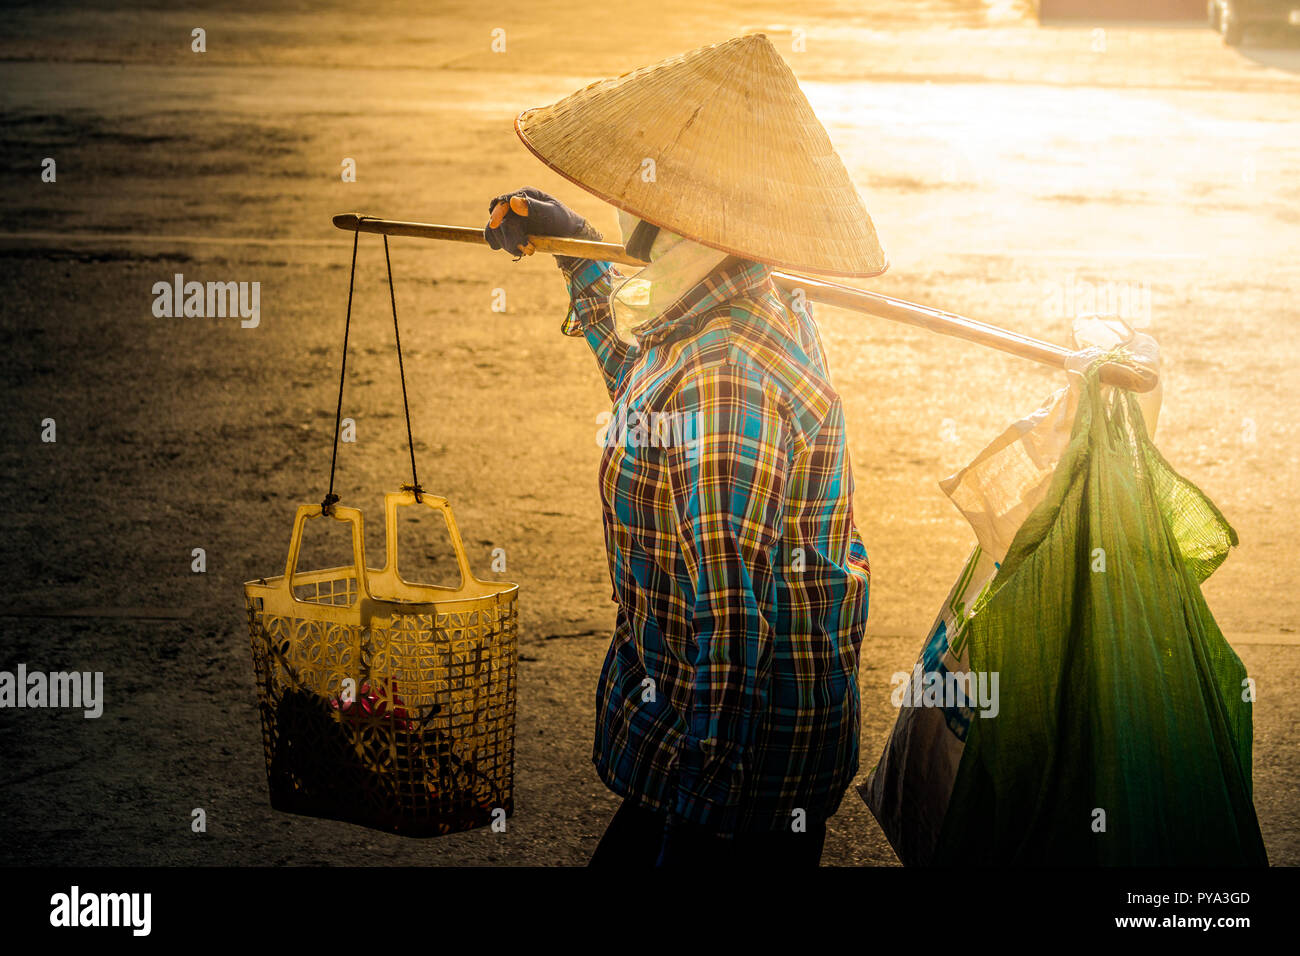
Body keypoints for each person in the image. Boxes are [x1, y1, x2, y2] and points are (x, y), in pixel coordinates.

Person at [484, 34, 884, 867]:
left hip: (737, 767)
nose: (625, 209)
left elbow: (732, 616)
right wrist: (577, 255)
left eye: (635, 200)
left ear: (680, 221)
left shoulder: (725, 376)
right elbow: (652, 409)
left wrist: (702, 812)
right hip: (713, 744)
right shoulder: (721, 309)